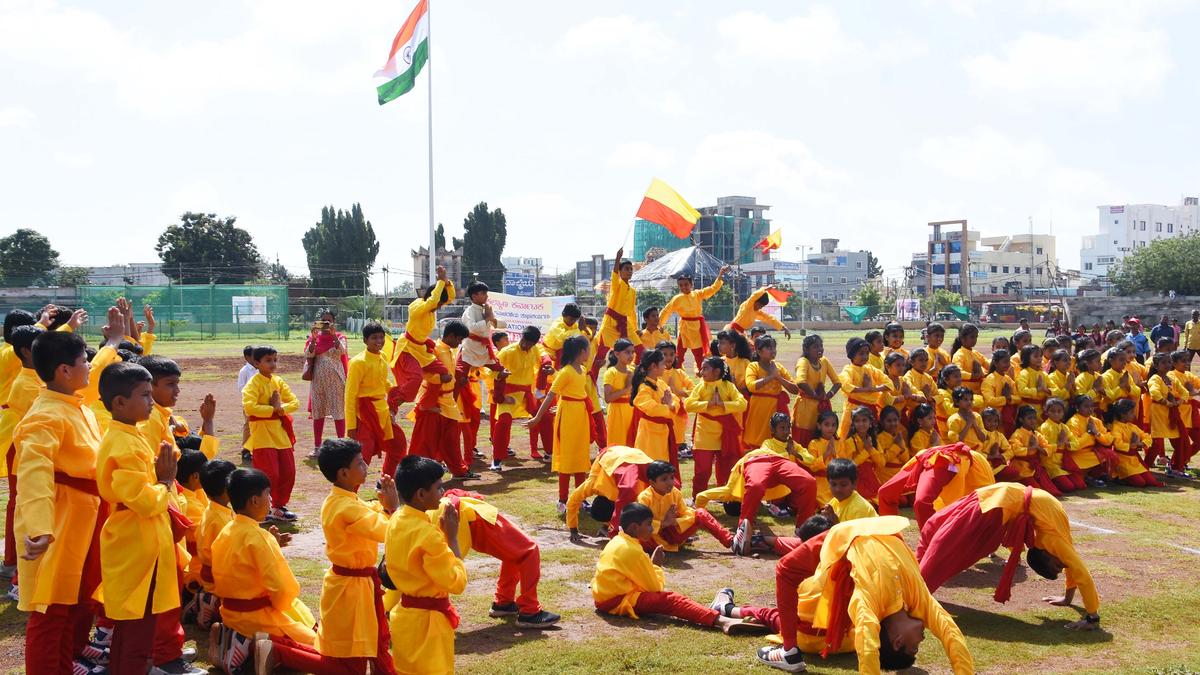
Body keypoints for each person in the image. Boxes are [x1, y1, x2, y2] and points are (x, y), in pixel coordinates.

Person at [13, 309, 122, 675]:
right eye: (83, 362)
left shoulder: (75, 403)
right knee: (51, 609)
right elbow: (33, 477)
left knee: (75, 602)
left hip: (86, 515)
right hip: (60, 521)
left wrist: (113, 343)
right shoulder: (43, 416)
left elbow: (97, 377)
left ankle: (67, 662)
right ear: (64, 371)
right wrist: (40, 528)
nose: (89, 366)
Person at [733, 517, 974, 674]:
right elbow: (952, 635)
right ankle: (783, 645)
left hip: (844, 539)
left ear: (898, 641)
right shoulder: (920, 602)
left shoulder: (867, 605)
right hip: (875, 527)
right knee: (796, 558)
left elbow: (868, 649)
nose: (923, 639)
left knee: (785, 569)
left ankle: (788, 651)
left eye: (915, 647)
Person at [95, 362, 204, 675]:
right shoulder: (124, 443)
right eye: (145, 395)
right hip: (136, 538)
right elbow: (143, 501)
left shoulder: (130, 434)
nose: (151, 401)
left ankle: (137, 665)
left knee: (138, 622)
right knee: (137, 623)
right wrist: (165, 482)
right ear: (120, 403)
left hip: (143, 536)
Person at [918, 483, 1101, 630]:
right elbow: (1081, 573)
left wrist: (1067, 599)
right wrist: (1092, 617)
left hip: (989, 496)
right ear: (1048, 557)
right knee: (944, 551)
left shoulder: (1055, 540)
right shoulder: (1053, 542)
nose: (1063, 566)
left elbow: (1072, 566)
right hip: (992, 504)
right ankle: (913, 595)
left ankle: (911, 584)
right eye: (1059, 567)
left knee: (934, 531)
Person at [208, 468, 334, 674]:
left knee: (301, 621)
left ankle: (231, 638)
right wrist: (282, 606)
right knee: (319, 649)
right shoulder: (259, 537)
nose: (271, 500)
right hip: (258, 618)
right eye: (268, 494)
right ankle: (248, 649)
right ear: (254, 501)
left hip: (230, 614)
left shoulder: (226, 531)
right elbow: (283, 590)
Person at [314, 438, 400, 674]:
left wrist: (384, 505)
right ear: (344, 473)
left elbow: (371, 511)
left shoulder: (341, 499)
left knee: (374, 644)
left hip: (354, 584)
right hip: (350, 590)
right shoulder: (346, 507)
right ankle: (278, 651)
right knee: (353, 659)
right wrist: (393, 508)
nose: (366, 467)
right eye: (360, 463)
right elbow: (386, 532)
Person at [591, 503, 743, 631]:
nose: (652, 529)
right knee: (670, 600)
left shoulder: (617, 540)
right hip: (615, 601)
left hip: (603, 597)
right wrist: (656, 565)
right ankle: (721, 621)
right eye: (649, 524)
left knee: (667, 599)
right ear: (634, 527)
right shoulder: (632, 550)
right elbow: (655, 588)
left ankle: (720, 617)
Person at [383, 455, 468, 675]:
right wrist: (452, 539)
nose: (443, 492)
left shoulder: (395, 519)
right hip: (429, 625)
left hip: (404, 617)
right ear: (421, 494)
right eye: (439, 488)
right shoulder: (428, 535)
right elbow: (455, 583)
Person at [432, 487, 561, 628]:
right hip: (469, 515)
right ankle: (530, 612)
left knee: (515, 551)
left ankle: (504, 602)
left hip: (460, 513)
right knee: (529, 550)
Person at [696, 413, 818, 555]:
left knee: (809, 482)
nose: (786, 431)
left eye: (788, 428)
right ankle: (742, 531)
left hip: (781, 464)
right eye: (782, 428)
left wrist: (794, 453)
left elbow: (811, 460)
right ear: (773, 430)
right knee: (755, 486)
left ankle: (803, 530)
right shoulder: (768, 443)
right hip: (760, 460)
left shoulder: (794, 445)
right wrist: (788, 453)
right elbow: (767, 453)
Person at [528, 334, 594, 511]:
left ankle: (581, 498)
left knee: (581, 457)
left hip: (581, 416)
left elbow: (575, 393)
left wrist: (565, 404)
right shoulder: (566, 372)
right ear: (581, 351)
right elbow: (551, 395)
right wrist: (537, 417)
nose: (589, 352)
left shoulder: (582, 370)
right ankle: (562, 500)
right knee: (567, 458)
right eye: (588, 349)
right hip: (568, 418)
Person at [0, 325, 43, 587]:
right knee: (22, 507)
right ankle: (16, 568)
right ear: (27, 352)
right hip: (25, 453)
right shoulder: (26, 385)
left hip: (29, 453)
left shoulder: (36, 378)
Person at [409, 321, 477, 480]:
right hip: (432, 402)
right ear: (451, 335)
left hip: (448, 402)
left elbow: (449, 373)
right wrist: (440, 378)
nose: (459, 343)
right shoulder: (434, 349)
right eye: (459, 339)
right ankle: (417, 475)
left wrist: (458, 378)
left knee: (451, 440)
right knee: (425, 441)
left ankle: (459, 471)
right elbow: (422, 371)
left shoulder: (449, 350)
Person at [877, 439, 995, 529]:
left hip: (954, 461)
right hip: (931, 457)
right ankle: (892, 538)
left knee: (982, 511)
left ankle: (933, 541)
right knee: (885, 492)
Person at [242, 345, 300, 522]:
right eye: (268, 360)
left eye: (275, 360)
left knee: (289, 471)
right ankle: (264, 507)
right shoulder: (253, 384)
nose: (273, 364)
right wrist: (273, 409)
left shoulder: (278, 381)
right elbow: (249, 407)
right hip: (262, 434)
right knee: (269, 473)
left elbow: (295, 402)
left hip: (280, 432)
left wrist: (280, 408)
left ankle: (279, 506)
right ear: (256, 363)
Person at [345, 322, 406, 478]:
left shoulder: (383, 356)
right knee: (363, 455)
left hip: (382, 411)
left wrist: (396, 392)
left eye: (381, 337)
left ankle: (386, 480)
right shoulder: (358, 362)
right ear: (365, 340)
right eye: (374, 338)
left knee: (398, 445)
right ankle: (349, 489)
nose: (379, 341)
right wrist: (351, 426)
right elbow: (350, 395)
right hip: (365, 413)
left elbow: (383, 381)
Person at [637, 461, 734, 552]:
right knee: (639, 535)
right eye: (664, 479)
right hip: (652, 540)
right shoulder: (645, 498)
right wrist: (664, 523)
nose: (670, 482)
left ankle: (731, 541)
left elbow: (686, 513)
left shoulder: (675, 493)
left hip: (673, 534)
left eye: (672, 478)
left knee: (700, 513)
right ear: (652, 482)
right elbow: (640, 525)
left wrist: (676, 522)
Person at [684, 356, 747, 496]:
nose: (701, 372)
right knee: (703, 470)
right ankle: (697, 497)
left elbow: (743, 404)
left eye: (705, 368)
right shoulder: (701, 386)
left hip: (725, 434)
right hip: (704, 435)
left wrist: (722, 405)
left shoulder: (728, 386)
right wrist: (709, 404)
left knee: (727, 468)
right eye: (702, 368)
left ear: (717, 371)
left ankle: (725, 497)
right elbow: (688, 405)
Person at [565, 445, 654, 540]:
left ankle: (606, 527)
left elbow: (572, 502)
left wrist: (573, 530)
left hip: (626, 456)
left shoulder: (631, 490)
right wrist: (573, 529)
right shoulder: (594, 483)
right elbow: (572, 502)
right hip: (635, 455)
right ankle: (606, 527)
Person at [193, 458, 236, 630]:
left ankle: (207, 598)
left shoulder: (212, 509)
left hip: (208, 574)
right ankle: (212, 603)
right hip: (217, 578)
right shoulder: (221, 520)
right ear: (227, 488)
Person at [492, 326, 543, 468]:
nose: (525, 345)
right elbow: (490, 369)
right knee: (503, 421)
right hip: (509, 393)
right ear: (521, 337)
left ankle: (544, 451)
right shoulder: (507, 351)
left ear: (534, 343)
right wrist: (500, 375)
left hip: (526, 392)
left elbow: (543, 360)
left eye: (529, 343)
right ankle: (496, 460)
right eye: (524, 341)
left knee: (541, 417)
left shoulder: (535, 350)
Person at [658, 267, 728, 371]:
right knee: (678, 355)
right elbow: (666, 311)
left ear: (692, 285)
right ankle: (674, 374)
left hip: (697, 330)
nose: (683, 287)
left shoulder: (697, 294)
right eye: (681, 285)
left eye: (686, 284)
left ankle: (703, 376)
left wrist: (720, 274)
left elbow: (712, 289)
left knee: (699, 356)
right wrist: (660, 324)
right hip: (684, 329)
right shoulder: (677, 299)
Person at [626, 349, 683, 468]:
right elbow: (652, 409)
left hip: (663, 430)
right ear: (653, 366)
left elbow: (675, 399)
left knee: (663, 464)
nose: (665, 366)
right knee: (650, 466)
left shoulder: (660, 383)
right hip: (649, 433)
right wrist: (669, 406)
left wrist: (671, 405)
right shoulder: (644, 387)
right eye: (662, 364)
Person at [303, 309, 348, 456]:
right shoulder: (314, 338)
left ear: (334, 322)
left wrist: (333, 335)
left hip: (336, 380)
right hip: (318, 381)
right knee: (318, 413)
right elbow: (308, 354)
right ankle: (317, 447)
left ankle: (342, 446)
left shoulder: (340, 337)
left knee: (338, 412)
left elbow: (342, 351)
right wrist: (314, 339)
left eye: (329, 321)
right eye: (324, 321)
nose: (326, 324)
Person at [591, 248, 638, 379]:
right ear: (620, 271)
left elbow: (632, 312)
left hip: (625, 324)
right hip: (610, 324)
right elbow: (614, 275)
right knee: (600, 356)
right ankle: (592, 382)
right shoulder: (616, 285)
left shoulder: (633, 291)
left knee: (640, 350)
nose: (629, 271)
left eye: (631, 269)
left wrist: (635, 329)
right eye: (626, 269)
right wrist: (618, 258)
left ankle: (635, 380)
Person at [744, 335, 797, 449]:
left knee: (776, 440)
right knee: (756, 440)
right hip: (758, 409)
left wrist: (778, 377)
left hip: (776, 409)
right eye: (769, 348)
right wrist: (771, 376)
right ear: (759, 351)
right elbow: (751, 386)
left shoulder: (779, 367)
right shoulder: (753, 366)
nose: (773, 351)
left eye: (774, 347)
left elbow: (795, 389)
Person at [1145, 353, 1191, 477]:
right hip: (1159, 412)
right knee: (1156, 443)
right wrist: (1166, 402)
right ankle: (1145, 468)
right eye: (1164, 363)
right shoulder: (1155, 378)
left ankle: (1176, 468)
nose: (1167, 365)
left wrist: (1180, 401)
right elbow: (1154, 392)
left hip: (1172, 413)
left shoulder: (1171, 379)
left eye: (1169, 362)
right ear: (1156, 365)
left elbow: (1185, 392)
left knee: (1180, 440)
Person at [792, 335, 840, 446]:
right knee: (804, 439)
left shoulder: (824, 361)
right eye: (815, 347)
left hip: (822, 406)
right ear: (806, 349)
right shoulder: (803, 361)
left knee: (822, 436)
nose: (820, 349)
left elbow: (837, 382)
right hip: (805, 408)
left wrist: (828, 395)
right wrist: (815, 395)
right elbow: (800, 382)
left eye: (821, 346)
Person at [837, 337, 887, 439]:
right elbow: (845, 385)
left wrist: (873, 389)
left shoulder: (870, 368)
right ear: (852, 355)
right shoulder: (848, 370)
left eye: (867, 353)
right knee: (849, 438)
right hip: (854, 410)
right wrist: (866, 389)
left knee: (870, 438)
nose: (865, 356)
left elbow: (888, 383)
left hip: (871, 411)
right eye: (861, 353)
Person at [602, 338, 637, 452]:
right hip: (617, 412)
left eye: (632, 352)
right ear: (617, 354)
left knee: (632, 443)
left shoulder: (632, 370)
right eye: (627, 352)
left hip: (631, 410)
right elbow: (608, 398)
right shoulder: (611, 373)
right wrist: (627, 389)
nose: (631, 355)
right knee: (618, 444)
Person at [824, 458, 877, 522]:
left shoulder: (859, 508)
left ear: (854, 484)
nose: (838, 489)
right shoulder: (833, 503)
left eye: (843, 485)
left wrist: (835, 524)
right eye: (833, 484)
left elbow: (857, 529)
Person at [982, 349, 1020, 434]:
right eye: (1005, 362)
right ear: (996, 363)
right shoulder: (989, 379)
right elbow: (990, 400)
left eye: (1008, 362)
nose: (1008, 364)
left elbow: (1018, 398)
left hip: (1007, 416)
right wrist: (1006, 398)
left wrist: (1009, 398)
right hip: (992, 418)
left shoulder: (1008, 379)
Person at [875, 405, 911, 485]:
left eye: (895, 420)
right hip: (885, 478)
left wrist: (902, 448)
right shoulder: (879, 438)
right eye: (889, 421)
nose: (893, 423)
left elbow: (906, 459)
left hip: (899, 477)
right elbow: (882, 460)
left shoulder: (899, 437)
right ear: (882, 422)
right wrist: (896, 447)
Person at [950, 323, 988, 394]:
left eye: (976, 337)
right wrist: (975, 376)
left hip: (979, 391)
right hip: (965, 393)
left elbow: (989, 365)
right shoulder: (959, 355)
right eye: (972, 337)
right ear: (963, 338)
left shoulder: (976, 354)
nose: (975, 340)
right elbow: (958, 373)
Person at [237, 345, 256, 464]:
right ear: (247, 357)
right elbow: (241, 388)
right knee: (248, 425)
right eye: (254, 355)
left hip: (260, 402)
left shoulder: (259, 368)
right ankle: (246, 449)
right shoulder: (244, 371)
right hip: (249, 403)